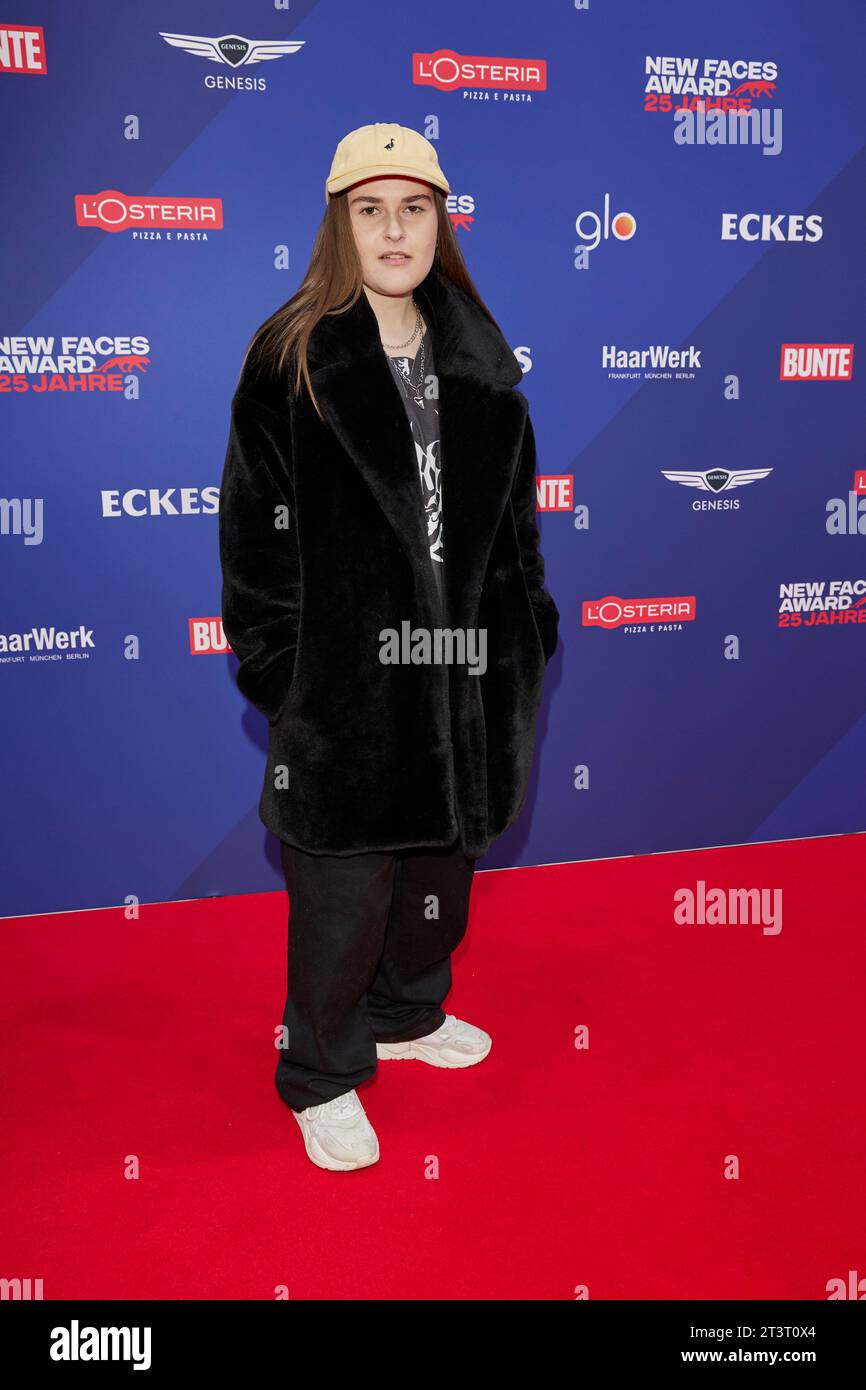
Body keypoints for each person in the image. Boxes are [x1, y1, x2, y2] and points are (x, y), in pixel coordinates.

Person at [218, 123, 559, 1171]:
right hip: (347, 694)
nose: (393, 228)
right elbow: (251, 535)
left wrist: (524, 640)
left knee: (436, 882)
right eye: (370, 209)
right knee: (341, 898)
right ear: (340, 225)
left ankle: (407, 1014)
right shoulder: (290, 359)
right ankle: (320, 1070)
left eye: (412, 207)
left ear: (438, 221)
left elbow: (513, 539)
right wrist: (290, 677)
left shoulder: (483, 365)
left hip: (462, 681)